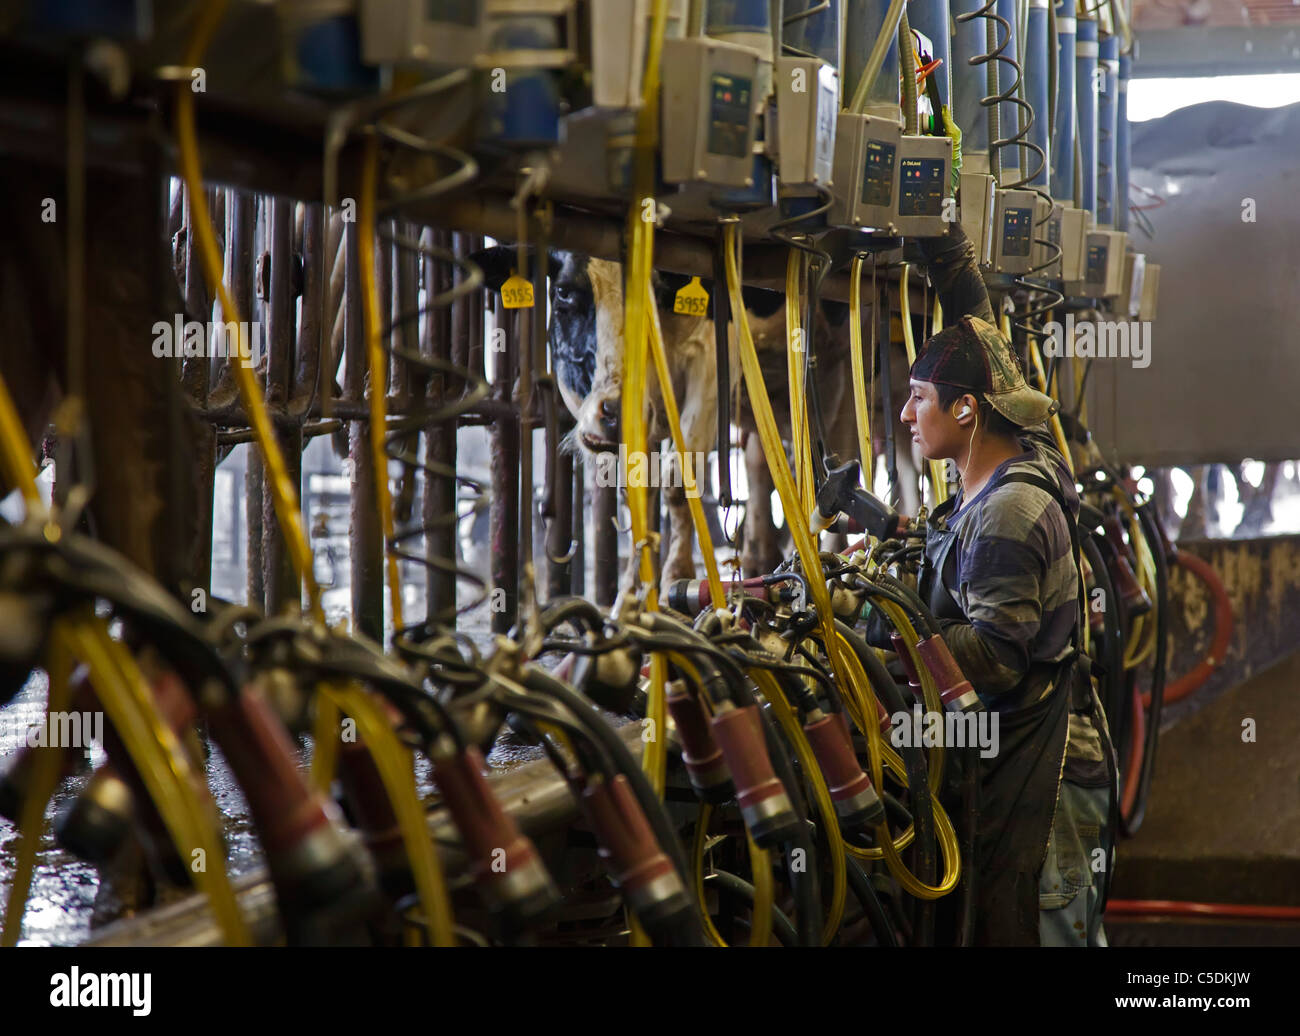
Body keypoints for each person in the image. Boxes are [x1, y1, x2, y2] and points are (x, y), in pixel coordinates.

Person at [895, 224, 1117, 946]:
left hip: (1045, 782)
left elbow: (993, 653)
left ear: (966, 410)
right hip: (1032, 759)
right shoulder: (1026, 453)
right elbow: (993, 354)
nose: (905, 415)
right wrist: (948, 255)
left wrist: (889, 630)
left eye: (919, 396)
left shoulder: (1009, 511)